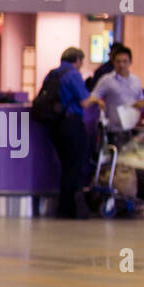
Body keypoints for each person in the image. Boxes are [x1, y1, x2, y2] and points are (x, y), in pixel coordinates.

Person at [45, 47, 102, 219]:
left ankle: (64, 206)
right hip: (71, 124)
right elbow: (84, 101)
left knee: (65, 166)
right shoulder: (73, 74)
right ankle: (69, 208)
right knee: (74, 166)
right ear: (77, 60)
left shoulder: (52, 74)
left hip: (55, 125)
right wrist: (97, 99)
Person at [93, 45, 144, 144]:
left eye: (125, 61)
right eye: (118, 61)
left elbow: (141, 100)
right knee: (117, 158)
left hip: (133, 128)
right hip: (114, 129)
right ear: (113, 62)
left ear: (130, 62)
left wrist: (139, 104)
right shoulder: (106, 80)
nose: (121, 65)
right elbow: (94, 96)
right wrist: (98, 101)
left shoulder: (136, 80)